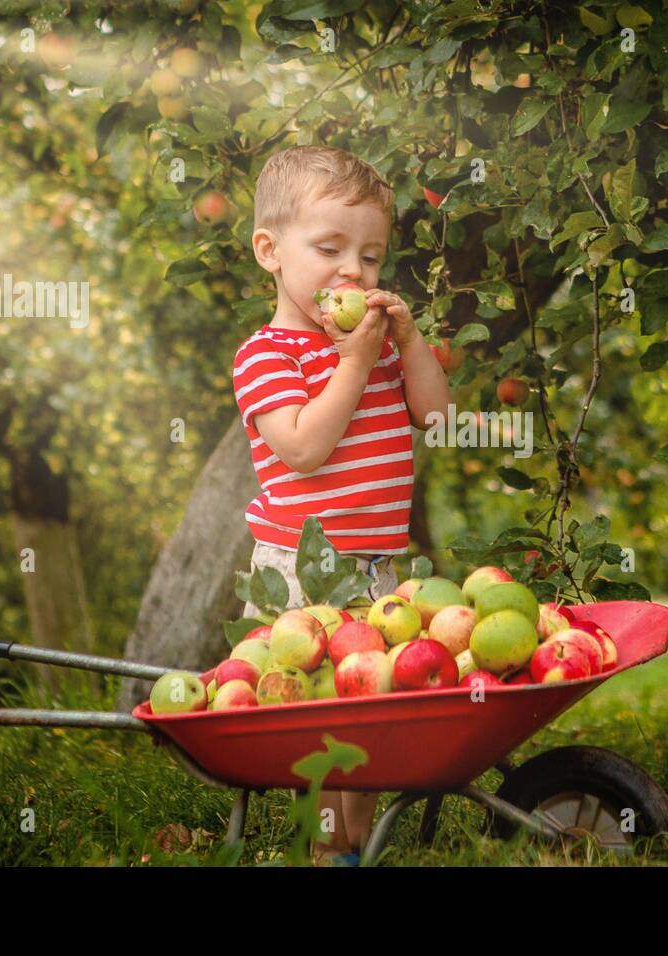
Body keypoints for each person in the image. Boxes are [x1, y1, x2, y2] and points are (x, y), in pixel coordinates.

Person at [232, 145, 452, 864]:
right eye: (329, 249)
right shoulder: (267, 356)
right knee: (318, 716)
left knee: (372, 713)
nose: (353, 272)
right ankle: (328, 849)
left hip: (377, 569)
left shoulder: (378, 347)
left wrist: (410, 346)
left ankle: (355, 841)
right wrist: (355, 363)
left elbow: (436, 419)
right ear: (270, 250)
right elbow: (301, 448)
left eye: (370, 256)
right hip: (300, 572)